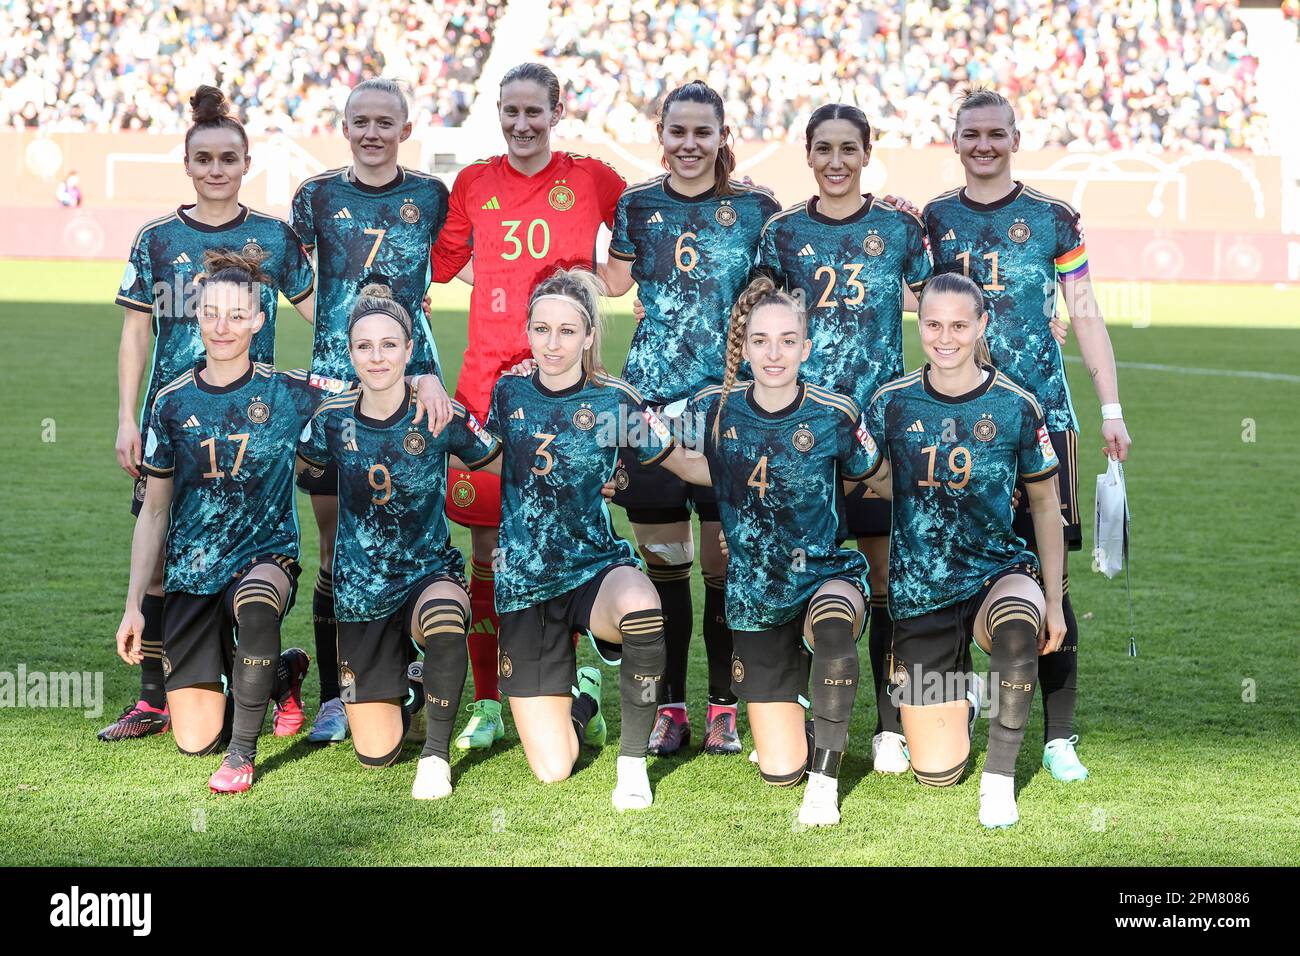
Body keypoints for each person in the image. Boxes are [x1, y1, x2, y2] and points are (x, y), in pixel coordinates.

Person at [921, 87, 1132, 782]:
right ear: (954, 140)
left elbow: (1086, 311)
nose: (983, 144)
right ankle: (945, 711)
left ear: (1016, 136)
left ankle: (1059, 736)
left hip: (1045, 421)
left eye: (995, 133)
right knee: (948, 565)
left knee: (1052, 576)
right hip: (953, 425)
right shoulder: (935, 218)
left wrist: (1110, 410)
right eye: (971, 133)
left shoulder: (1052, 218)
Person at [104, 85, 316, 743]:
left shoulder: (273, 238)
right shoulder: (158, 239)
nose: (216, 169)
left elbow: (321, 316)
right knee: (167, 553)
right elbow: (136, 334)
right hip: (174, 423)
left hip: (255, 426)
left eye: (228, 157)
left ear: (245, 163)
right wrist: (127, 416)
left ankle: (270, 674)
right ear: (189, 164)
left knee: (238, 560)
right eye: (204, 158)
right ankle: (154, 700)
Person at [428, 63, 625, 753]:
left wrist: (591, 285)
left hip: (567, 395)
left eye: (533, 111)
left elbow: (640, 240)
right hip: (486, 392)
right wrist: (507, 283)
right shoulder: (474, 182)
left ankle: (577, 689)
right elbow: (448, 261)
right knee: (487, 545)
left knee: (564, 542)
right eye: (509, 111)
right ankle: (487, 700)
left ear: (556, 110)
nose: (521, 124)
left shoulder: (594, 179)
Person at [114, 250, 351, 793]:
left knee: (259, 602)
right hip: (193, 572)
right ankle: (280, 673)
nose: (224, 326)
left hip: (263, 558)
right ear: (196, 313)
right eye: (212, 313)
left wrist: (421, 385)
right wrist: (133, 606)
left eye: (238, 315)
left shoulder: (291, 391)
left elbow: (369, 388)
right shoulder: (171, 404)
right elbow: (153, 511)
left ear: (260, 319)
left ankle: (242, 757)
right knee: (196, 737)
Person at [592, 80, 781, 757]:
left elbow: (782, 302)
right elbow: (612, 284)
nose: (690, 144)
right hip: (649, 414)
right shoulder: (637, 205)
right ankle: (671, 707)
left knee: (724, 571)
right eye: (679, 132)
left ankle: (726, 707)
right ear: (661, 135)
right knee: (665, 571)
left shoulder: (758, 208)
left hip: (733, 415)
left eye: (704, 132)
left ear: (722, 135)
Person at [489, 267, 716, 810]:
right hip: (525, 583)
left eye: (567, 331)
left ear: (589, 336)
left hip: (594, 568)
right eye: (541, 329)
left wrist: (758, 462)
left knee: (642, 603)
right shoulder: (509, 390)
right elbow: (481, 451)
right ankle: (583, 697)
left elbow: (682, 462)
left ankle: (632, 763)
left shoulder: (617, 403)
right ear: (527, 330)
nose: (552, 343)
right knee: (553, 768)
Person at [754, 103, 932, 775]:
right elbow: (759, 327)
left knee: (885, 577)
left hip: (880, 432)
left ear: (866, 153)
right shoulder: (782, 232)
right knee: (802, 571)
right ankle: (794, 711)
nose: (835, 160)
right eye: (823, 148)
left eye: (847, 149)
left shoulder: (898, 227)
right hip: (801, 433)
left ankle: (890, 724)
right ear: (807, 154)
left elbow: (937, 304)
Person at [860, 271, 1066, 827]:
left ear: (982, 325)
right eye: (932, 324)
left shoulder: (1016, 406)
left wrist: (1054, 596)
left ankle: (999, 783)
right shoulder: (890, 404)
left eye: (958, 325)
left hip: (996, 573)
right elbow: (872, 479)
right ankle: (969, 693)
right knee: (937, 772)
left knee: (1019, 625)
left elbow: (1045, 506)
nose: (944, 337)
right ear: (918, 324)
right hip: (922, 592)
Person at [676, 276, 882, 827]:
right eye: (762, 340)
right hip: (755, 591)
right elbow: (664, 442)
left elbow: (878, 476)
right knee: (777, 768)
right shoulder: (712, 408)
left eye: (788, 341)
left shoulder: (836, 413)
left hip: (823, 576)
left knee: (835, 630)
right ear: (743, 346)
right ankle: (802, 729)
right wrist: (622, 460)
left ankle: (826, 781)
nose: (774, 353)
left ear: (806, 348)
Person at [290, 77, 454, 745]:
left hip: (415, 385)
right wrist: (325, 328)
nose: (373, 132)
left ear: (406, 129)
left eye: (386, 121)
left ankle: (413, 667)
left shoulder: (430, 196)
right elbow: (290, 271)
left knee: (415, 529)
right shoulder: (316, 196)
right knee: (336, 544)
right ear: (345, 126)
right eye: (361, 120)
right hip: (335, 386)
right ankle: (337, 693)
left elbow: (463, 263)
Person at [297, 285, 501, 797]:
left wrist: (585, 471)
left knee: (446, 614)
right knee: (376, 754)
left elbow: (503, 459)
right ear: (349, 353)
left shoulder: (437, 412)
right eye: (364, 346)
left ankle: (434, 757)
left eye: (390, 345)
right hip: (362, 593)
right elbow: (291, 464)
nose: (377, 356)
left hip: (426, 574)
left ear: (410, 351)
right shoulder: (330, 420)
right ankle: (411, 685)